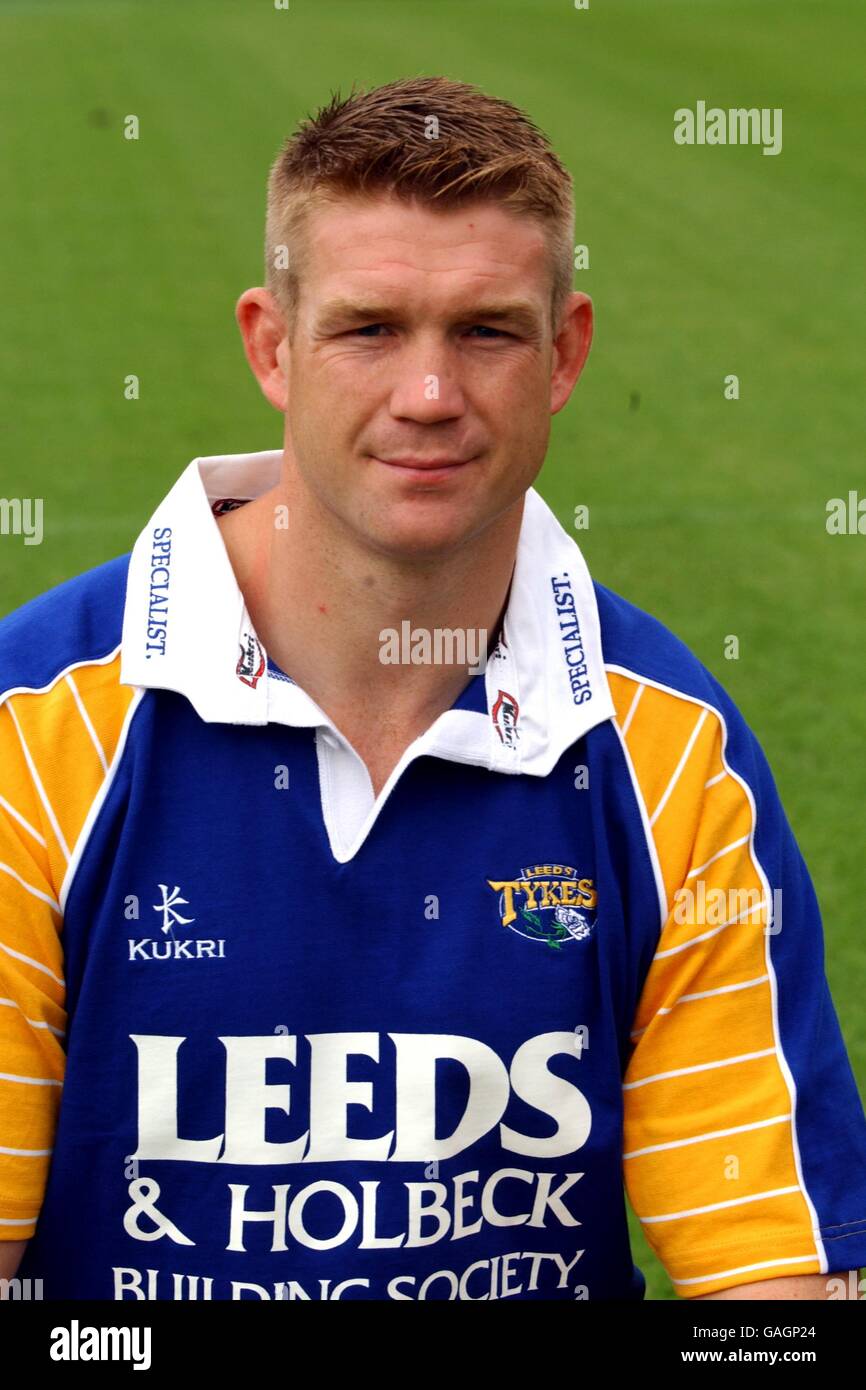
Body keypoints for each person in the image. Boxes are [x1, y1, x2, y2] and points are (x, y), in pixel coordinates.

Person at [1, 75, 864, 1302]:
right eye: (368, 330)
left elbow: (772, 1277)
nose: (427, 397)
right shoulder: (31, 734)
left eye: (485, 331)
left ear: (563, 354)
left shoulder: (671, 754)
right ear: (270, 345)